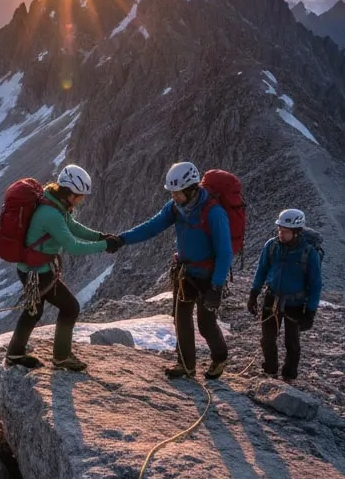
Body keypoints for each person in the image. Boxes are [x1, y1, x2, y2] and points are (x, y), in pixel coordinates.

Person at [114, 162, 231, 379]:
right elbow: (152, 226)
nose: (173, 197)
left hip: (208, 277)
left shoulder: (214, 213)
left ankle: (220, 358)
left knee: (205, 325)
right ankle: (186, 366)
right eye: (172, 193)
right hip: (186, 273)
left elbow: (225, 253)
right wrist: (122, 239)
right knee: (181, 319)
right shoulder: (176, 208)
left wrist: (217, 286)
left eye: (177, 193)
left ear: (191, 189)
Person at [5, 165, 118, 373]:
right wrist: (105, 245)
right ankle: (61, 357)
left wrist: (100, 236)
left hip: (31, 269)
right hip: (38, 272)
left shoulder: (54, 203)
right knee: (70, 307)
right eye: (80, 196)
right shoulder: (52, 214)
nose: (82, 200)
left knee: (33, 312)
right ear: (69, 193)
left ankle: (14, 354)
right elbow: (73, 246)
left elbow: (73, 227)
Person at [247, 208, 322, 382]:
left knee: (292, 342)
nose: (281, 234)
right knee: (267, 338)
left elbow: (316, 284)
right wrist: (253, 293)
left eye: (285, 231)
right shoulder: (271, 246)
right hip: (272, 297)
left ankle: (289, 375)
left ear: (296, 232)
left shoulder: (308, 252)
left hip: (295, 303)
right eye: (280, 230)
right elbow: (262, 270)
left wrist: (310, 312)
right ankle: (270, 369)